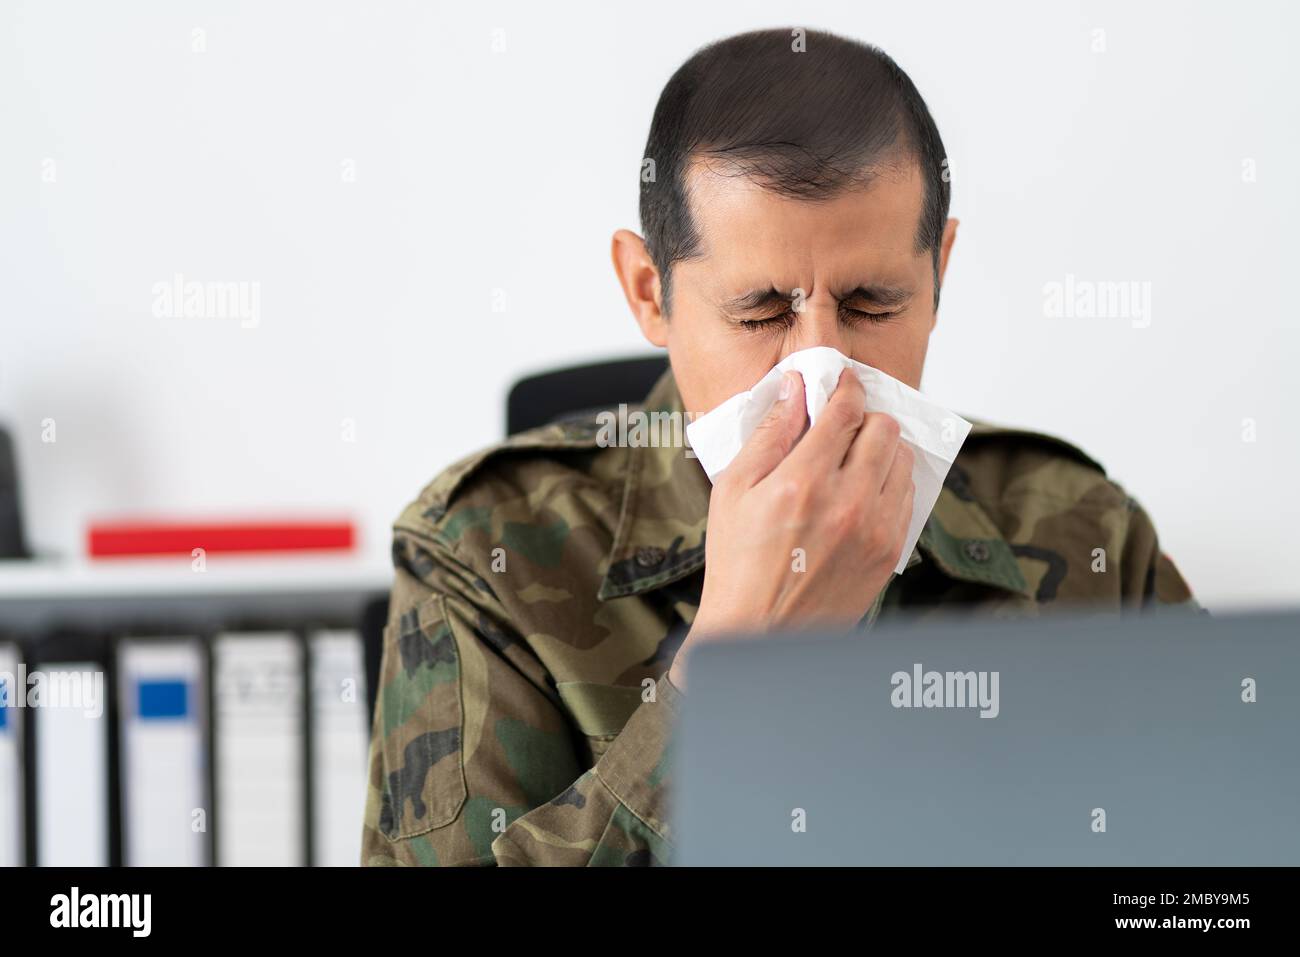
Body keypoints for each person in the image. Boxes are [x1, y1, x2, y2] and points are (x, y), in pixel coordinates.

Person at [361, 28, 1197, 867]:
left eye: (872, 303)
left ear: (939, 274)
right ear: (651, 291)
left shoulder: (1084, 533)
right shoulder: (480, 551)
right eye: (760, 312)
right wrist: (734, 666)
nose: (822, 378)